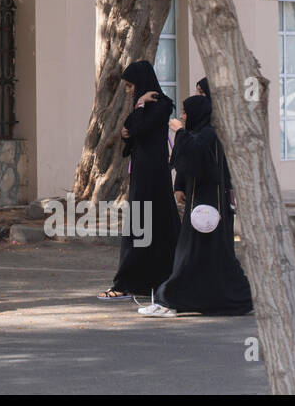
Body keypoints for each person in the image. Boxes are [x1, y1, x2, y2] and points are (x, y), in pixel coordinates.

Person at [139, 94, 254, 318]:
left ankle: (167, 300)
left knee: (189, 255)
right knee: (212, 258)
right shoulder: (206, 132)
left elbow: (197, 155)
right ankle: (240, 298)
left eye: (185, 112)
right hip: (204, 205)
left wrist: (179, 132)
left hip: (205, 206)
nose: (181, 116)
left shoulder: (209, 134)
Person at [98, 59, 181, 301]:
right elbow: (129, 129)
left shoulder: (162, 105)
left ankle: (127, 283)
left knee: (147, 227)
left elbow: (140, 128)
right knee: (145, 228)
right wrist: (131, 127)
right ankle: (141, 282)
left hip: (153, 176)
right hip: (143, 173)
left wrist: (141, 106)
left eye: (131, 86)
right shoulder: (143, 106)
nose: (129, 90)